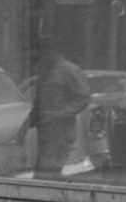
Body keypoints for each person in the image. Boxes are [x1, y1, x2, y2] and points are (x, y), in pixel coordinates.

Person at [17, 47, 94, 176]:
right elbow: (39, 104)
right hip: (46, 132)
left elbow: (83, 98)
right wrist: (25, 126)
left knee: (49, 172)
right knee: (44, 172)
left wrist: (60, 114)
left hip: (61, 131)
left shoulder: (69, 70)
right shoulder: (46, 72)